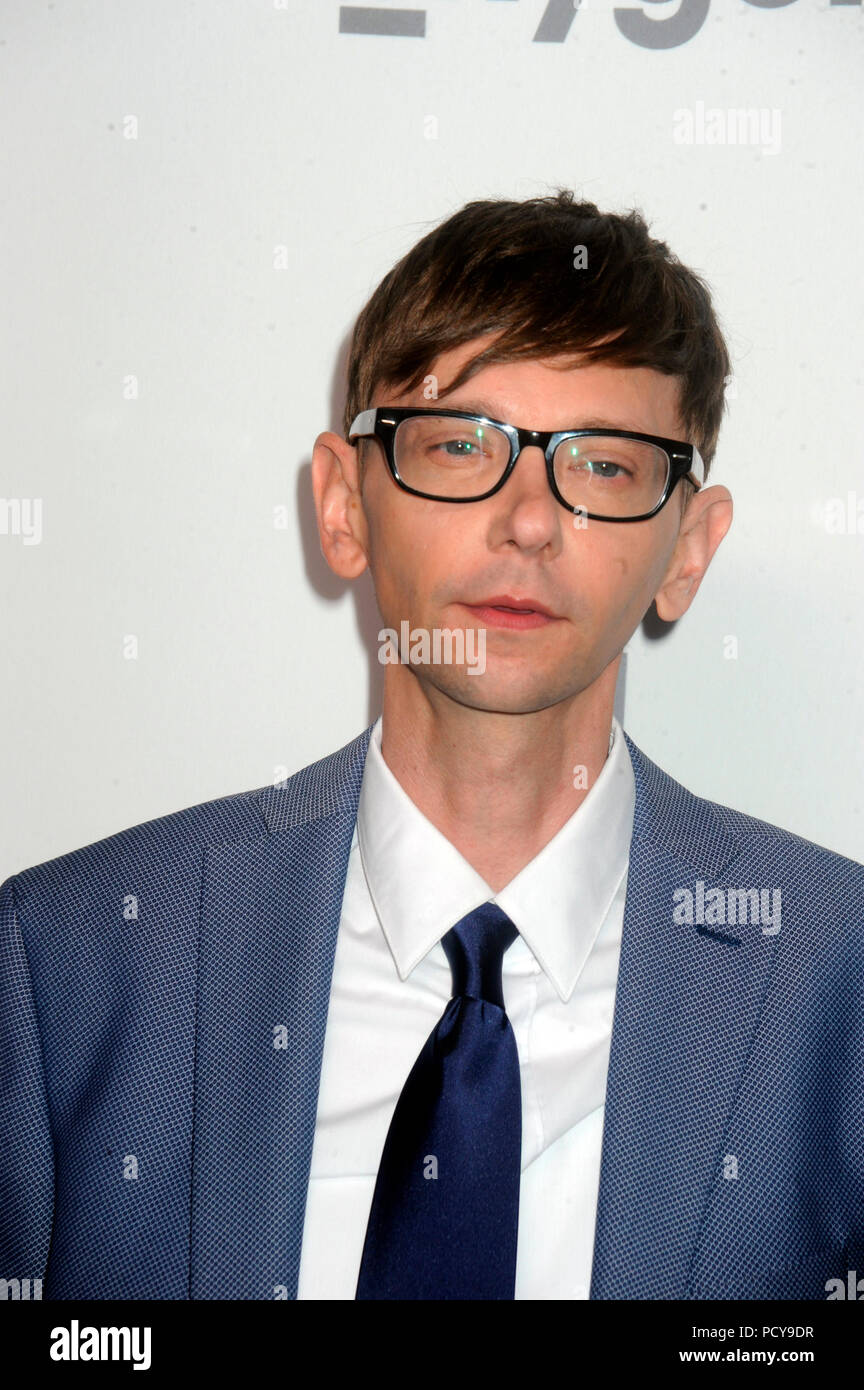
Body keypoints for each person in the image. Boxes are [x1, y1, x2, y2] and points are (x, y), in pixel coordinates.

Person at [2, 190, 862, 1302]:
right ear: (343, 504)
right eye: (462, 446)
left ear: (688, 549)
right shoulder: (70, 960)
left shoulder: (836, 976)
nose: (530, 517)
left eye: (604, 463)